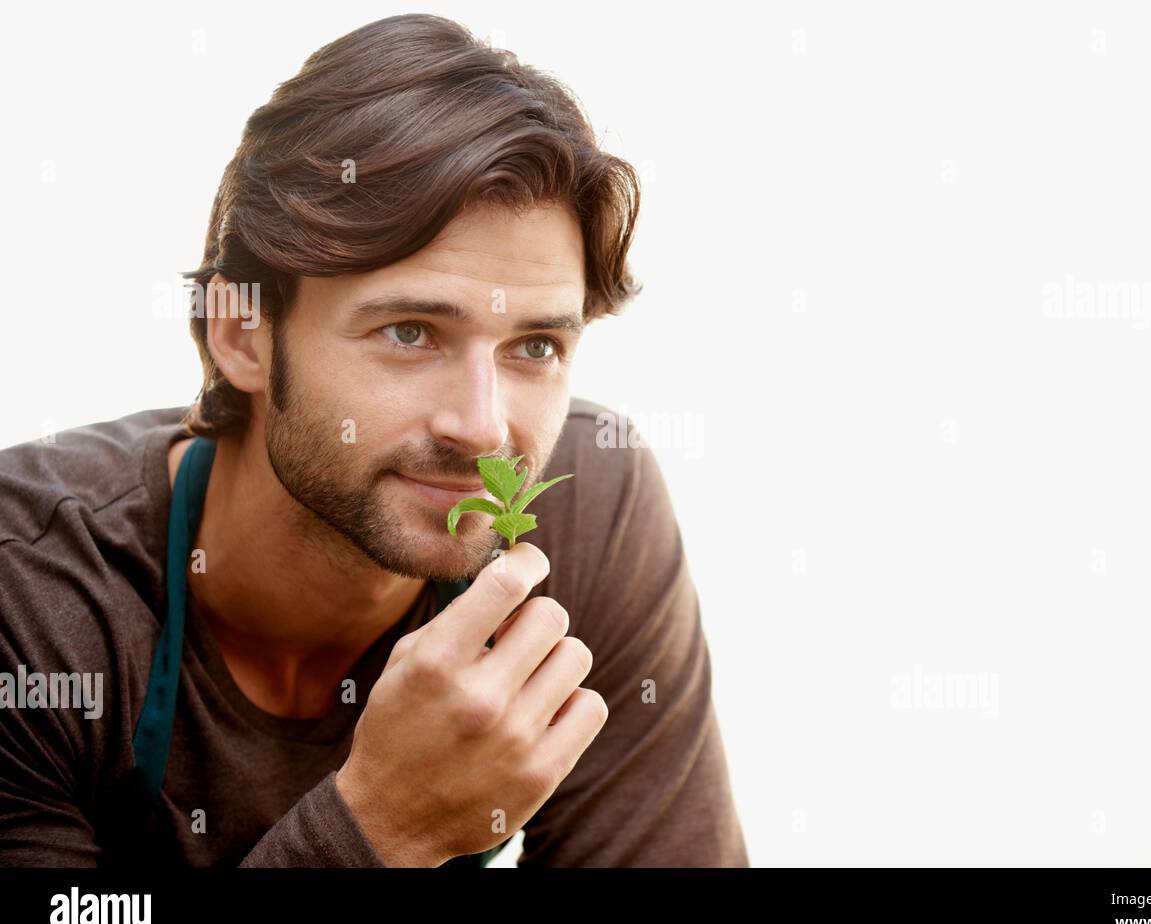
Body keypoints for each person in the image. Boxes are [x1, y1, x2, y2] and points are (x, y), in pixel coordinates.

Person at [0, 13, 747, 867]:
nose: (483, 426)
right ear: (240, 333)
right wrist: (377, 829)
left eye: (535, 347)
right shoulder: (30, 600)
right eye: (409, 331)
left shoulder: (589, 505)